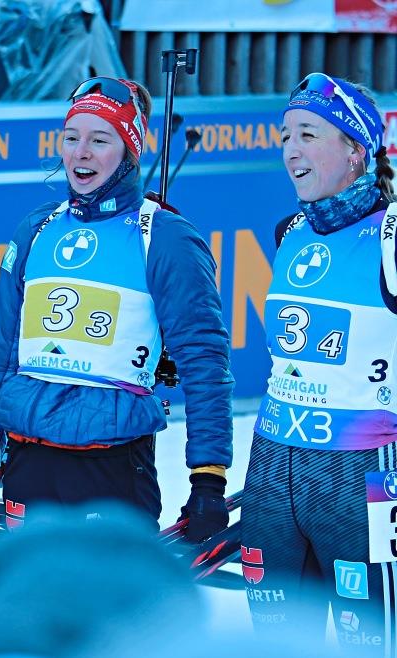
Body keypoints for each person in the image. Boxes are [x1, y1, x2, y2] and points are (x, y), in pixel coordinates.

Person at [0, 77, 234, 541]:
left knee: (109, 613)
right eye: (72, 138)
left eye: (100, 140)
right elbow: (0, 356)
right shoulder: (36, 228)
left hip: (111, 469)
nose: (81, 152)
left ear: (128, 150)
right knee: (30, 612)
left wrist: (208, 480)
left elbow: (204, 362)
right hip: (28, 463)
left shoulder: (165, 236)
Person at [242, 73, 397, 654]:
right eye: (286, 135)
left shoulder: (389, 236)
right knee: (274, 644)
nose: (291, 150)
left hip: (359, 471)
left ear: (356, 151)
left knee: (370, 644)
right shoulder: (291, 232)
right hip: (273, 463)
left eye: (309, 134)